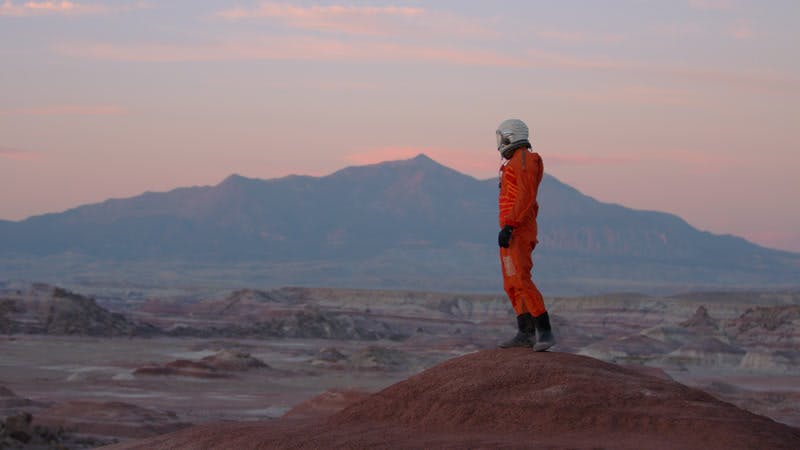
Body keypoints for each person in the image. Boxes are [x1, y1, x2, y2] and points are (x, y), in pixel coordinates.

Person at [495, 118, 555, 352]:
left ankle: (545, 330)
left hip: (518, 230)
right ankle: (525, 332)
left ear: (510, 136)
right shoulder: (513, 163)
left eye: (501, 137)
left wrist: (510, 225)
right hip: (511, 231)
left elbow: (525, 196)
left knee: (521, 279)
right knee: (512, 282)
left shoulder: (524, 160)